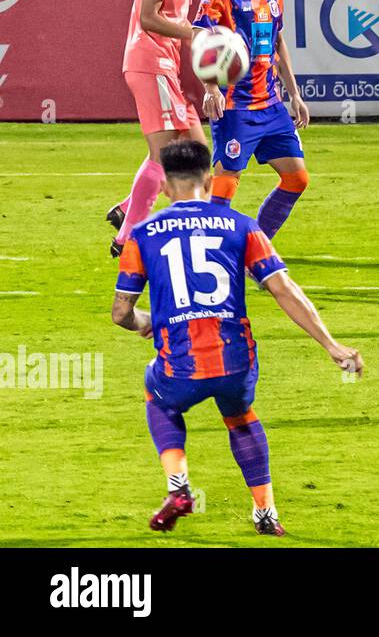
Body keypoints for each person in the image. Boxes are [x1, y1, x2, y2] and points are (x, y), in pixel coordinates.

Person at [114, 138, 363, 536]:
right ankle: (266, 513)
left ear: (162, 186)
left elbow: (120, 313)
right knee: (241, 417)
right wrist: (331, 345)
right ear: (210, 181)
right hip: (235, 362)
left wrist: (148, 319)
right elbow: (283, 288)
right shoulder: (242, 226)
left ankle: (179, 489)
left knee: (157, 398)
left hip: (179, 367)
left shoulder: (143, 235)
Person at [191, 0, 312, 236]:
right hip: (235, 104)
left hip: (270, 102)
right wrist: (210, 88)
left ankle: (256, 246)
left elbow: (279, 41)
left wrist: (295, 94)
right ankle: (212, 250)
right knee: (226, 184)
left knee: (297, 179)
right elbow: (199, 40)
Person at [107, 0, 208, 259]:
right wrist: (193, 32)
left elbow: (178, 26)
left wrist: (208, 71)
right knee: (165, 156)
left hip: (163, 65)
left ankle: (126, 210)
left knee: (197, 149)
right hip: (148, 63)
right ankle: (127, 239)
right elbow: (149, 18)